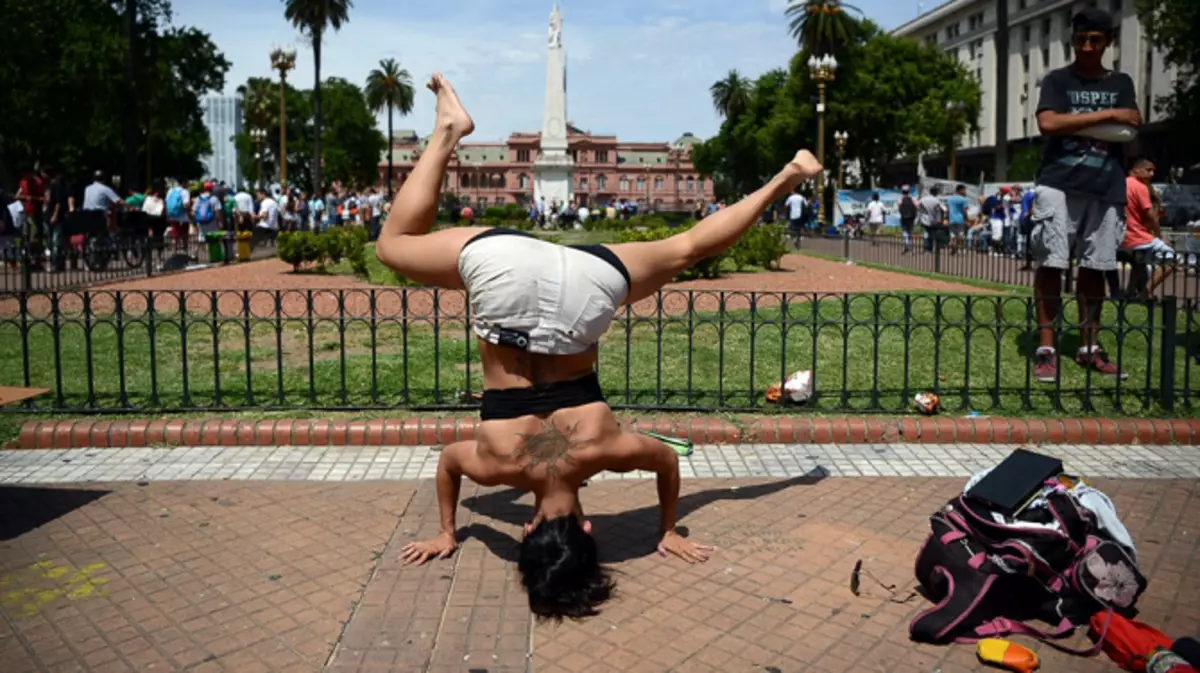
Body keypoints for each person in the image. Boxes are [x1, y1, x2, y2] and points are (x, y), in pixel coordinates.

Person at [377, 74, 822, 621]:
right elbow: (448, 465)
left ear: (588, 528)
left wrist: (667, 529)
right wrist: (448, 530)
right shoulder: (496, 466)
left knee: (687, 247)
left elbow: (665, 461)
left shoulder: (607, 450)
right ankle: (448, 132)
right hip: (506, 277)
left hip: (585, 292)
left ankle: (788, 175)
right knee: (394, 247)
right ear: (529, 527)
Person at [1029, 6, 1138, 383]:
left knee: (1096, 268)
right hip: (1058, 182)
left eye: (1094, 40)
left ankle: (1089, 346)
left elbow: (1131, 128)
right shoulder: (1057, 80)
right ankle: (1046, 347)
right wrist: (1108, 117)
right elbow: (1048, 123)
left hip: (1106, 186)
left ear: (1108, 41)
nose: (1087, 47)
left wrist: (1076, 123)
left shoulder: (1121, 81)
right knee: (1051, 264)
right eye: (1080, 40)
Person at [1119, 157, 1175, 299]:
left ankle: (1129, 293)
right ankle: (1145, 293)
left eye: (1153, 171)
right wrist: (1160, 237)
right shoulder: (1140, 186)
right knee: (1171, 259)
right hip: (1137, 235)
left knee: (1139, 262)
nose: (1151, 174)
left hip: (1123, 235)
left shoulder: (1123, 183)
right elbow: (1151, 215)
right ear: (1136, 169)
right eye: (1148, 170)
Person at [946, 184, 970, 251]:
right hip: (960, 219)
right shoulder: (964, 199)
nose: (965, 191)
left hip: (951, 219)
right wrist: (967, 219)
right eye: (964, 190)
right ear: (960, 190)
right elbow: (965, 211)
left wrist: (946, 218)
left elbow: (947, 210)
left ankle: (952, 244)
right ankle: (960, 249)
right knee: (960, 234)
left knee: (952, 234)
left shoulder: (950, 199)